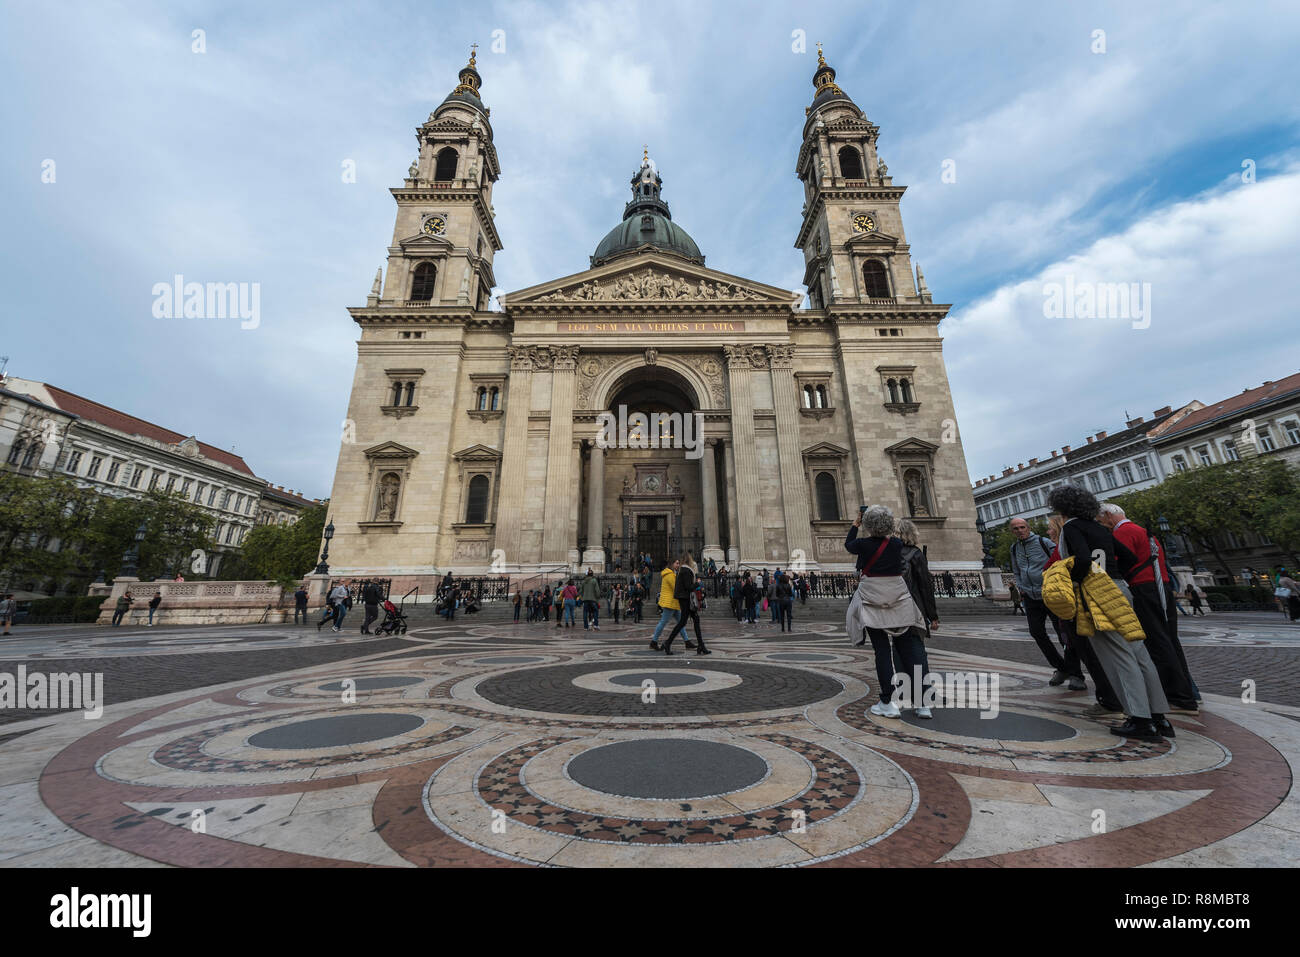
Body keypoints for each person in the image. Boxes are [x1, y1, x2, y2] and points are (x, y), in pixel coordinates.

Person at [1047, 486, 1171, 741]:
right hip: (1119, 588)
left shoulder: (1071, 527)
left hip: (1096, 593)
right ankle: (1159, 716)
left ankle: (1140, 719)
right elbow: (1128, 556)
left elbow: (1081, 559)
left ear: (1063, 507)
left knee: (1117, 655)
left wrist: (1075, 579)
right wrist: (1114, 575)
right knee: (1139, 652)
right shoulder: (1100, 528)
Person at [1098, 504, 1198, 714]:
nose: (1102, 525)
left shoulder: (1123, 532)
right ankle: (1187, 692)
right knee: (1169, 639)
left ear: (1108, 515)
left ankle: (1178, 696)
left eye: (1101, 520)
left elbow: (1118, 562)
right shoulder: (1141, 530)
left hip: (1144, 588)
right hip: (1161, 587)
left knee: (1156, 641)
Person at [844, 505, 925, 718]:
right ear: (890, 525)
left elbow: (848, 545)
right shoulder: (897, 544)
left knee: (881, 652)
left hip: (873, 601)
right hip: (898, 600)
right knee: (908, 649)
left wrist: (855, 524)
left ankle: (888, 702)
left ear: (868, 526)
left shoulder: (862, 544)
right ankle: (923, 702)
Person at [1008, 516, 1085, 691]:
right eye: (1016, 529)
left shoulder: (1044, 543)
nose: (1020, 531)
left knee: (1064, 635)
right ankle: (1061, 667)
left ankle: (1075, 674)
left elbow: (1060, 562)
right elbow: (1017, 570)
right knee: (1036, 632)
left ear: (1028, 527)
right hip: (1030, 597)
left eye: (1022, 527)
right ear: (1012, 531)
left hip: (1050, 595)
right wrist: (1021, 587)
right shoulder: (1014, 548)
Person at [894, 519, 939, 718]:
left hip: (891, 611)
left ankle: (908, 695)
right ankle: (923, 701)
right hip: (913, 611)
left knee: (898, 652)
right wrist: (933, 616)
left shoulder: (886, 555)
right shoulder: (916, 554)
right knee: (916, 652)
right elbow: (925, 587)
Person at [663, 553, 710, 656]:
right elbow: (689, 587)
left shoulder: (683, 570)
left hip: (685, 599)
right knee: (683, 622)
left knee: (693, 620)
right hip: (686, 599)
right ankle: (668, 643)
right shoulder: (686, 571)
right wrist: (697, 583)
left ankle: (701, 646)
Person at [648, 558, 683, 650]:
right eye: (677, 563)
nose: (678, 565)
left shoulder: (672, 574)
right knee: (663, 622)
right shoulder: (670, 575)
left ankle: (687, 641)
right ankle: (653, 641)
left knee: (681, 623)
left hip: (673, 602)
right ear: (672, 564)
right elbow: (676, 588)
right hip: (670, 602)